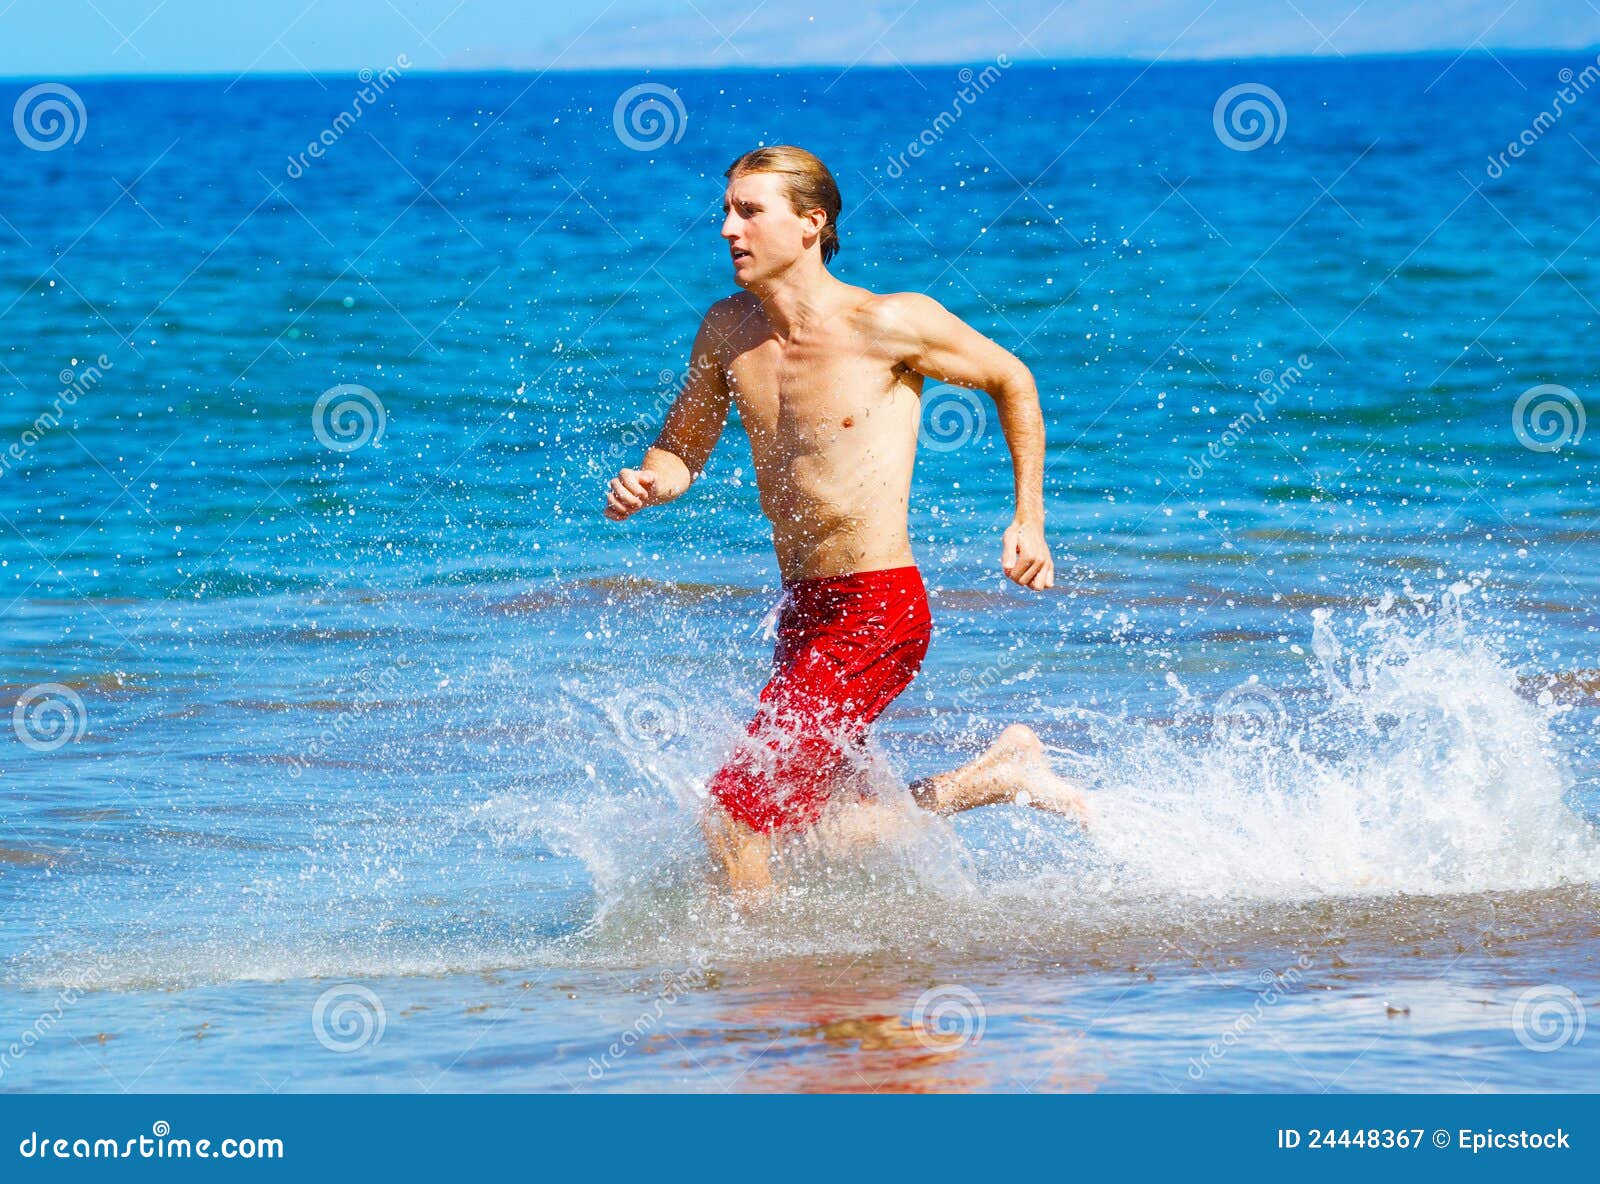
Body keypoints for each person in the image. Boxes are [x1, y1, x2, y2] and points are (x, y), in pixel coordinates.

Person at [605, 145, 1092, 895]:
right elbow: (682, 447)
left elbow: (1011, 378)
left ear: (810, 223)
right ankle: (995, 778)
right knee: (811, 830)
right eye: (726, 212)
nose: (728, 229)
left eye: (749, 211)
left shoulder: (887, 322)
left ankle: (756, 987)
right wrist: (650, 482)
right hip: (803, 609)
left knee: (733, 819)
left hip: (878, 607)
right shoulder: (728, 331)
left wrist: (1029, 518)